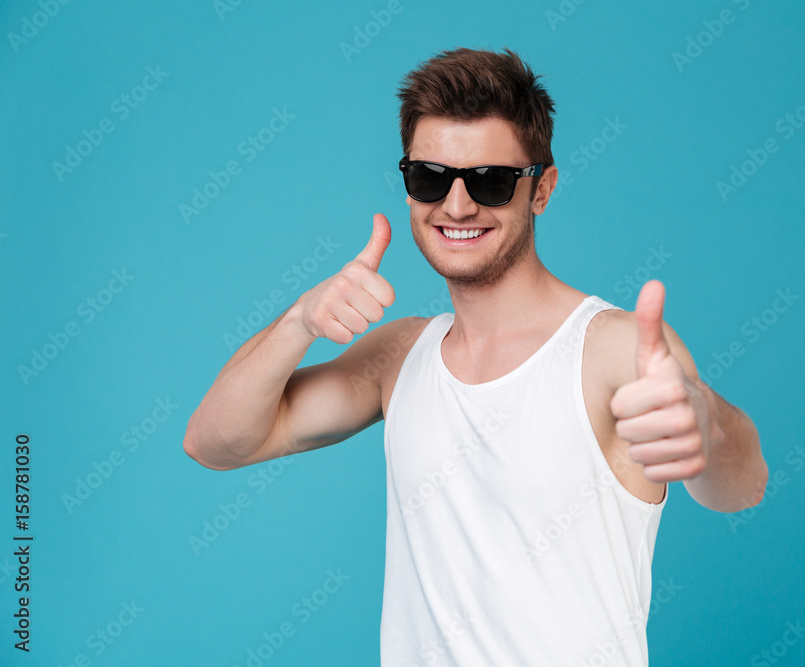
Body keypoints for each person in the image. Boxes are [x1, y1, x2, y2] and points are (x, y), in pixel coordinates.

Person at [184, 46, 768, 666]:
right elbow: (217, 442)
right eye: (431, 178)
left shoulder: (614, 349)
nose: (457, 206)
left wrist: (701, 423)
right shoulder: (400, 356)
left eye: (490, 181)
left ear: (540, 190)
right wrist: (300, 321)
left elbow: (743, 486)